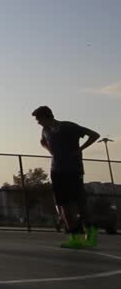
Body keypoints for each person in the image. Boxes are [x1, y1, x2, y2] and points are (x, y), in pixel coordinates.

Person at [32, 106, 100, 248]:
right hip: (56, 170)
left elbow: (94, 135)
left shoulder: (69, 126)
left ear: (46, 117)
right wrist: (51, 151)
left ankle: (91, 234)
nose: (38, 122)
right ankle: (75, 237)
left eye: (39, 119)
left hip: (74, 170)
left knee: (80, 203)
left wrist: (80, 150)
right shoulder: (45, 131)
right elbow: (42, 141)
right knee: (63, 205)